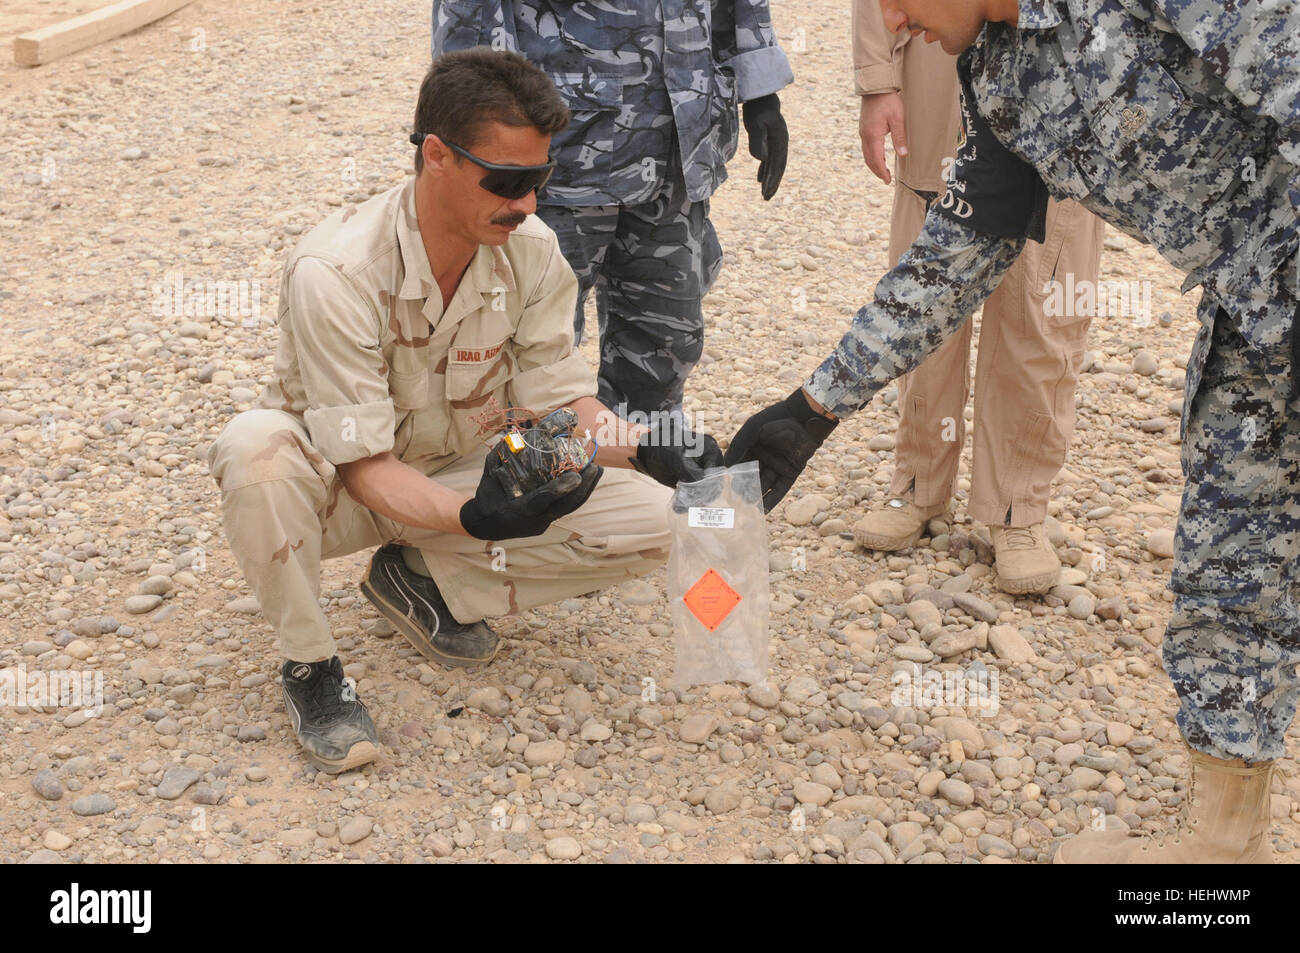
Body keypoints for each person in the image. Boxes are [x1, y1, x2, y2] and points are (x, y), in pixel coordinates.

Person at [727, 0, 1300, 864]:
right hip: (1256, 317)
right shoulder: (999, 79)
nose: (892, 21)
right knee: (1234, 560)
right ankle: (1227, 846)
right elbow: (953, 254)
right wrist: (813, 409)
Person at [207, 49, 720, 775]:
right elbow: (362, 466)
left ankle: (423, 578)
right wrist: (473, 519)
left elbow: (558, 404)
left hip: (461, 468)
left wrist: (649, 447)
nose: (528, 203)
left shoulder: (533, 253)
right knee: (253, 449)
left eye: (540, 179)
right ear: (437, 156)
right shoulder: (337, 269)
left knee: (663, 521)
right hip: (343, 487)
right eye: (508, 181)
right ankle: (311, 666)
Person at [431, 0, 793, 418]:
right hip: (554, 154)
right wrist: (474, 125)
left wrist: (761, 89)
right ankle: (528, 470)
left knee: (666, 342)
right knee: (526, 341)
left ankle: (644, 464)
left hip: (679, 141)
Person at [852, 0, 1103, 594]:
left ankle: (1016, 506)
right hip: (937, 90)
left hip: (1064, 105)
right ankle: (918, 482)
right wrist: (877, 79)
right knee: (924, 311)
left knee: (1041, 320)